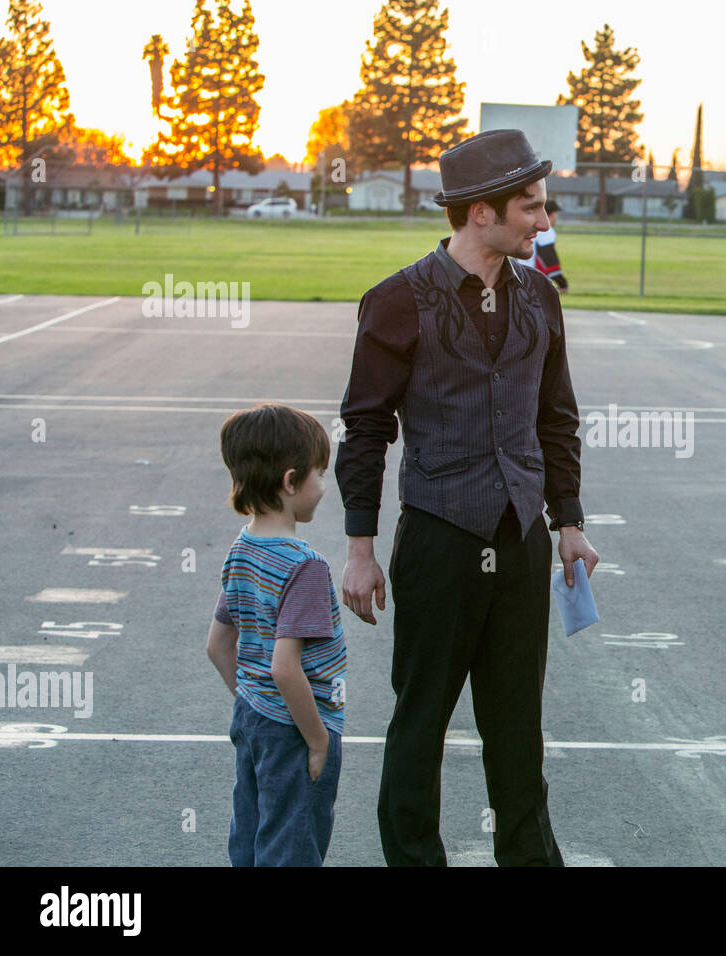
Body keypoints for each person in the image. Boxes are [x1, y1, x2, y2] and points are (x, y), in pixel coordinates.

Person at [336, 128, 599, 867]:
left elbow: (557, 418)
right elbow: (364, 431)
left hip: (520, 541)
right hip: (438, 539)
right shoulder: (396, 301)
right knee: (421, 721)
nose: (543, 223)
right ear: (479, 213)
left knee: (518, 725)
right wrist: (360, 551)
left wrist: (568, 521)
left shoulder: (542, 296)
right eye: (530, 208)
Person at [206, 403, 348, 867]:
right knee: (291, 846)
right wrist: (318, 739)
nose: (324, 487)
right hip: (295, 729)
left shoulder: (242, 549)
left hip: (253, 719)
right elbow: (285, 668)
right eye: (319, 475)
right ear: (290, 482)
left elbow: (218, 645)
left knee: (250, 834)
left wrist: (252, 700)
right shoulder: (305, 566)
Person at [534, 199, 569, 292]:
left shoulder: (536, 227)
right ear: (553, 214)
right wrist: (561, 282)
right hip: (532, 276)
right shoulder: (546, 230)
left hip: (523, 272)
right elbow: (548, 256)